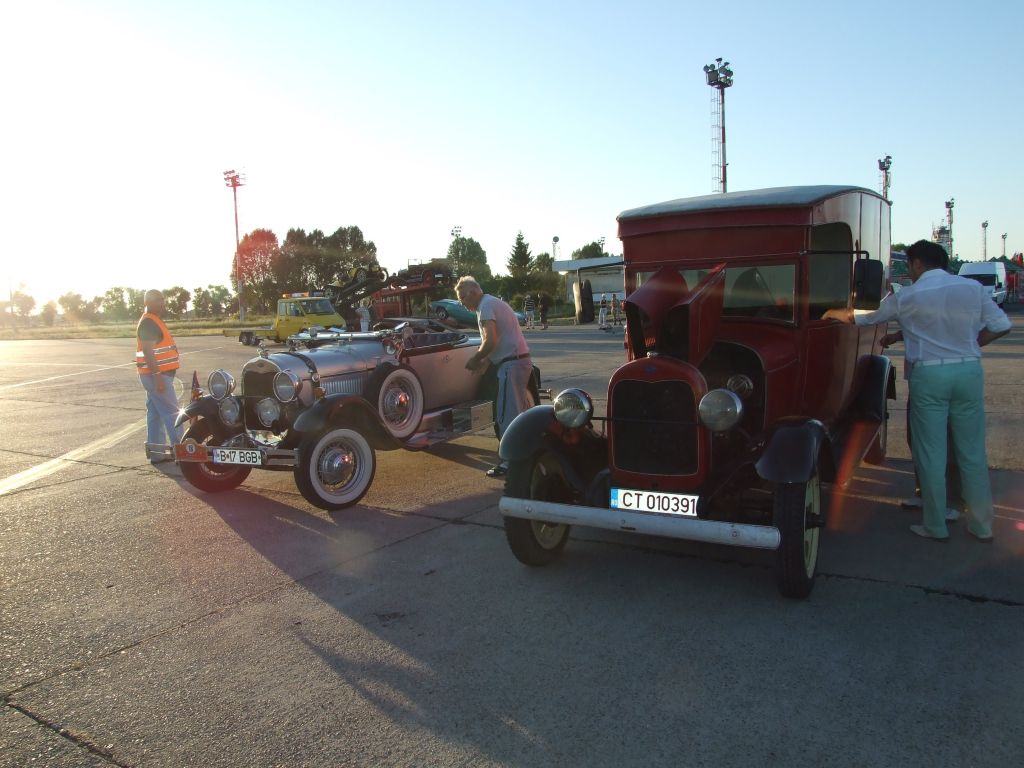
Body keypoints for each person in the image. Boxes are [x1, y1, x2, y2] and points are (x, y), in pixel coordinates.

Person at [824, 240, 1011, 542]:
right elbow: (1001, 325)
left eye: (910, 266)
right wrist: (973, 344)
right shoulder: (972, 288)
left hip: (930, 375)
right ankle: (982, 526)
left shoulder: (909, 296)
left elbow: (866, 318)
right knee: (973, 451)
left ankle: (935, 525)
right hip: (968, 372)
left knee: (930, 451)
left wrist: (833, 313)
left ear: (917, 264)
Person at [455, 276, 532, 478]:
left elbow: (490, 341)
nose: (463, 303)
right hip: (519, 360)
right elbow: (501, 341)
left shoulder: (486, 307)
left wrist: (475, 359)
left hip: (511, 365)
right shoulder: (494, 302)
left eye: (463, 298)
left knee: (506, 416)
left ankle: (510, 462)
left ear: (473, 292)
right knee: (519, 412)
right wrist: (486, 363)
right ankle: (527, 454)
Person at [136, 289, 184, 464]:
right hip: (157, 376)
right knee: (173, 413)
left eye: (162, 300)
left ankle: (157, 452)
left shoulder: (153, 320)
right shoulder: (149, 322)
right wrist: (157, 377)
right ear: (147, 302)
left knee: (155, 413)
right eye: (158, 300)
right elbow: (148, 351)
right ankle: (183, 453)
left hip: (157, 376)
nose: (162, 303)